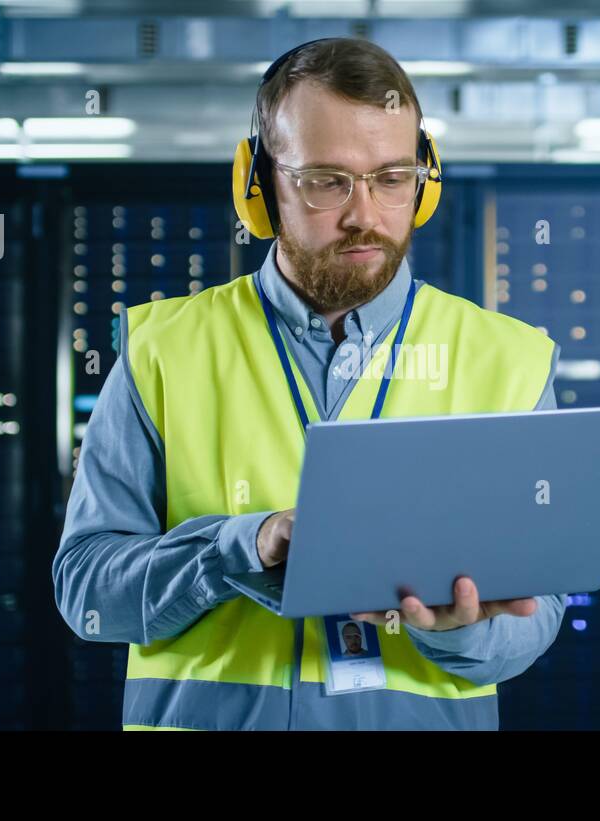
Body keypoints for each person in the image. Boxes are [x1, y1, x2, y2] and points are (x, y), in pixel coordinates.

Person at [53, 36, 566, 730]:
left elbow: (539, 617)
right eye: (327, 179)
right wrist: (241, 546)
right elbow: (86, 589)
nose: (364, 213)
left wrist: (455, 630)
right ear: (256, 185)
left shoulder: (508, 361)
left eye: (391, 177)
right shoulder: (162, 351)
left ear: (426, 181)